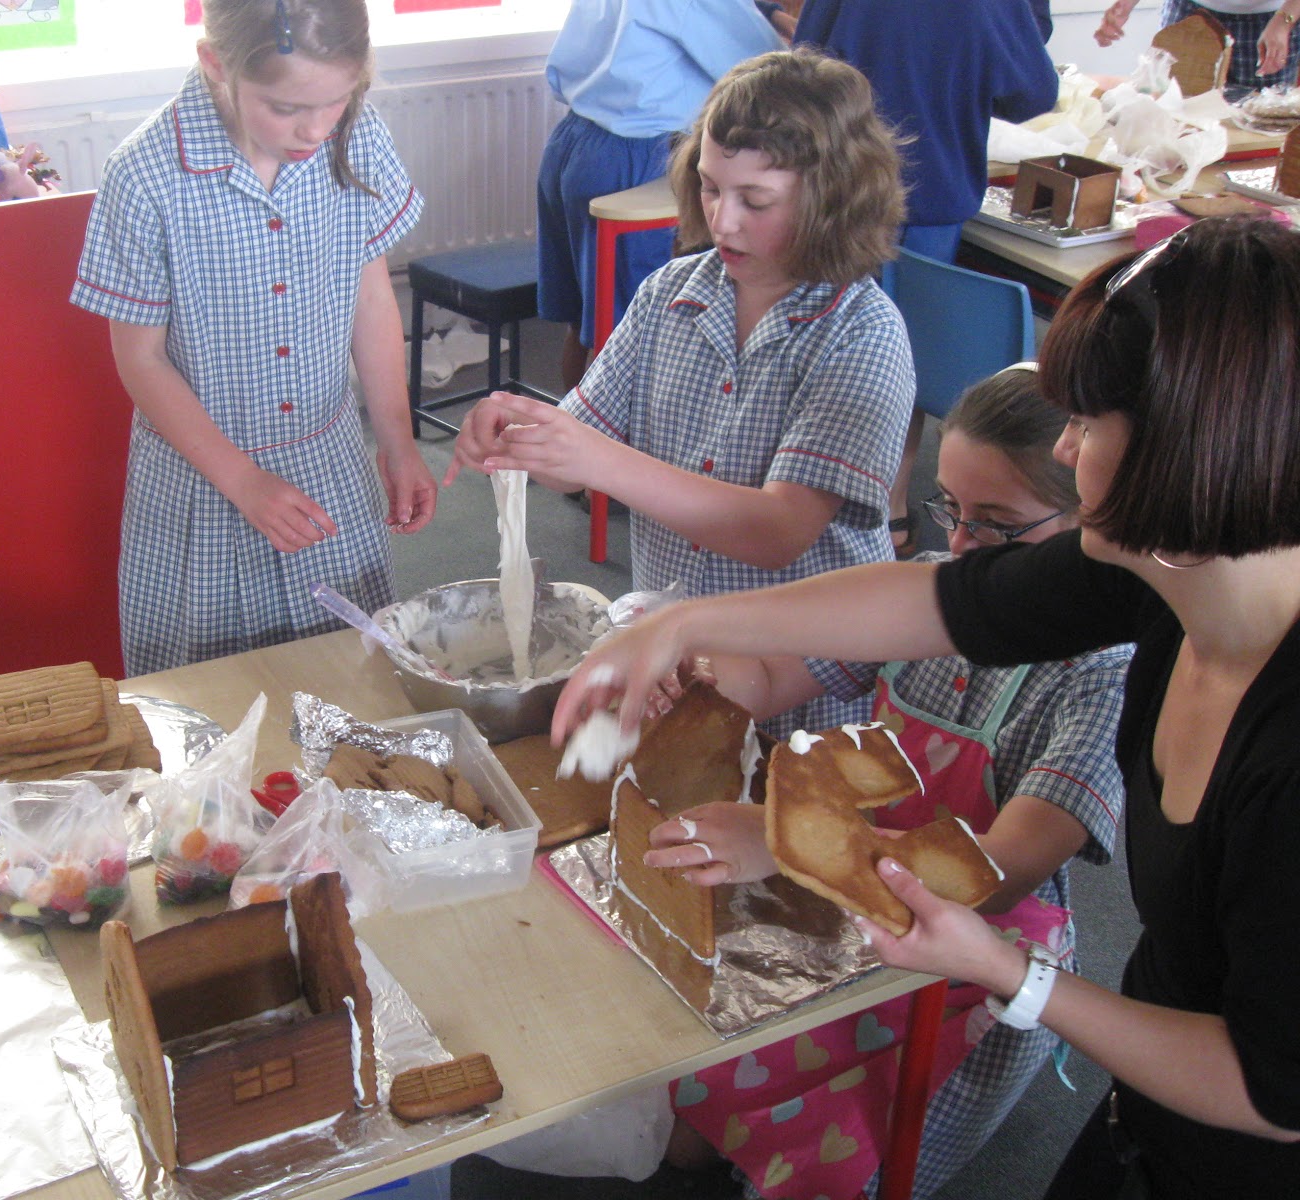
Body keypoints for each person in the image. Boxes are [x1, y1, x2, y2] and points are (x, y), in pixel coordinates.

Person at [553, 216, 1300, 1199]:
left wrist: (1011, 971)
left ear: (1192, 448)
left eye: (1090, 422)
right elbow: (939, 601)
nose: (1069, 445)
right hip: (1149, 1102)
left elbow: (1270, 1090)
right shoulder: (1161, 568)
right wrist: (681, 625)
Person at [655, 365, 1132, 1199]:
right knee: (688, 1126)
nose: (961, 548)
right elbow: (772, 677)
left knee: (836, 1163)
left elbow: (994, 872)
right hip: (853, 887)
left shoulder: (1100, 672)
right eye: (947, 509)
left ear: (1093, 513)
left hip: (976, 947)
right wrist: (688, 677)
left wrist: (780, 834)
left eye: (998, 527)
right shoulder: (938, 595)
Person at [449, 48, 915, 741]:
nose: (722, 221)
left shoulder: (861, 334)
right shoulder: (671, 295)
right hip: (682, 653)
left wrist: (597, 461)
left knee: (776, 825)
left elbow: (776, 533)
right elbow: (578, 439)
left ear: (830, 201)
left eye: (756, 201)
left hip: (805, 672)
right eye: (707, 187)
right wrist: (522, 435)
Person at [71, 0, 436, 676]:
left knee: (346, 677)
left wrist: (398, 440)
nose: (316, 129)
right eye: (286, 109)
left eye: (337, 101)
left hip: (326, 464)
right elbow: (141, 358)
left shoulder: (355, 136)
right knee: (213, 699)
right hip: (203, 480)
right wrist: (242, 480)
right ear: (216, 63)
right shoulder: (146, 176)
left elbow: (372, 298)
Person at [790, 0, 1059, 559]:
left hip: (837, 187)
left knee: (822, 336)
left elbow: (806, 60)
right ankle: (883, 506)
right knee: (904, 351)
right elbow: (1032, 94)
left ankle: (814, 495)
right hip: (930, 194)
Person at [538, 0, 783, 390]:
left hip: (574, 142)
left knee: (588, 322)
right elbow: (770, 68)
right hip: (635, 153)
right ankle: (604, 442)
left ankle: (573, 429)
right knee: (630, 335)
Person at [1097, 0, 1300, 94]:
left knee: (1258, 118)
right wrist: (1126, 4)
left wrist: (1284, 21)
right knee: (1173, 105)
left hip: (1270, 19)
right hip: (1189, 10)